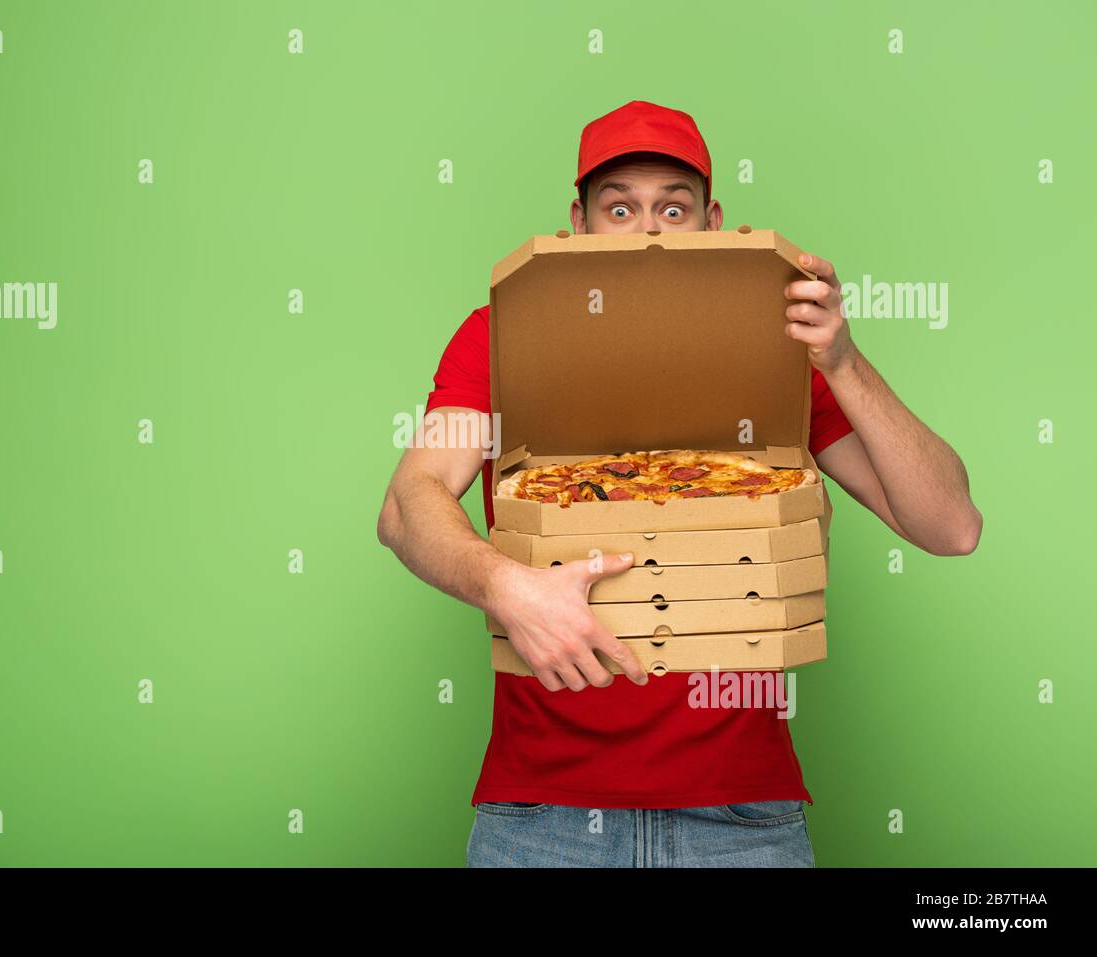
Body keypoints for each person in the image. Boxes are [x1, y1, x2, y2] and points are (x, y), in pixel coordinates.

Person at [376, 100, 983, 867]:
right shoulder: (501, 333)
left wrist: (844, 363)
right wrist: (505, 585)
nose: (648, 228)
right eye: (619, 206)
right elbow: (408, 502)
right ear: (579, 221)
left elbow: (951, 525)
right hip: (541, 816)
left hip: (741, 819)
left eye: (673, 206)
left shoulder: (785, 345)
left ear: (713, 221)